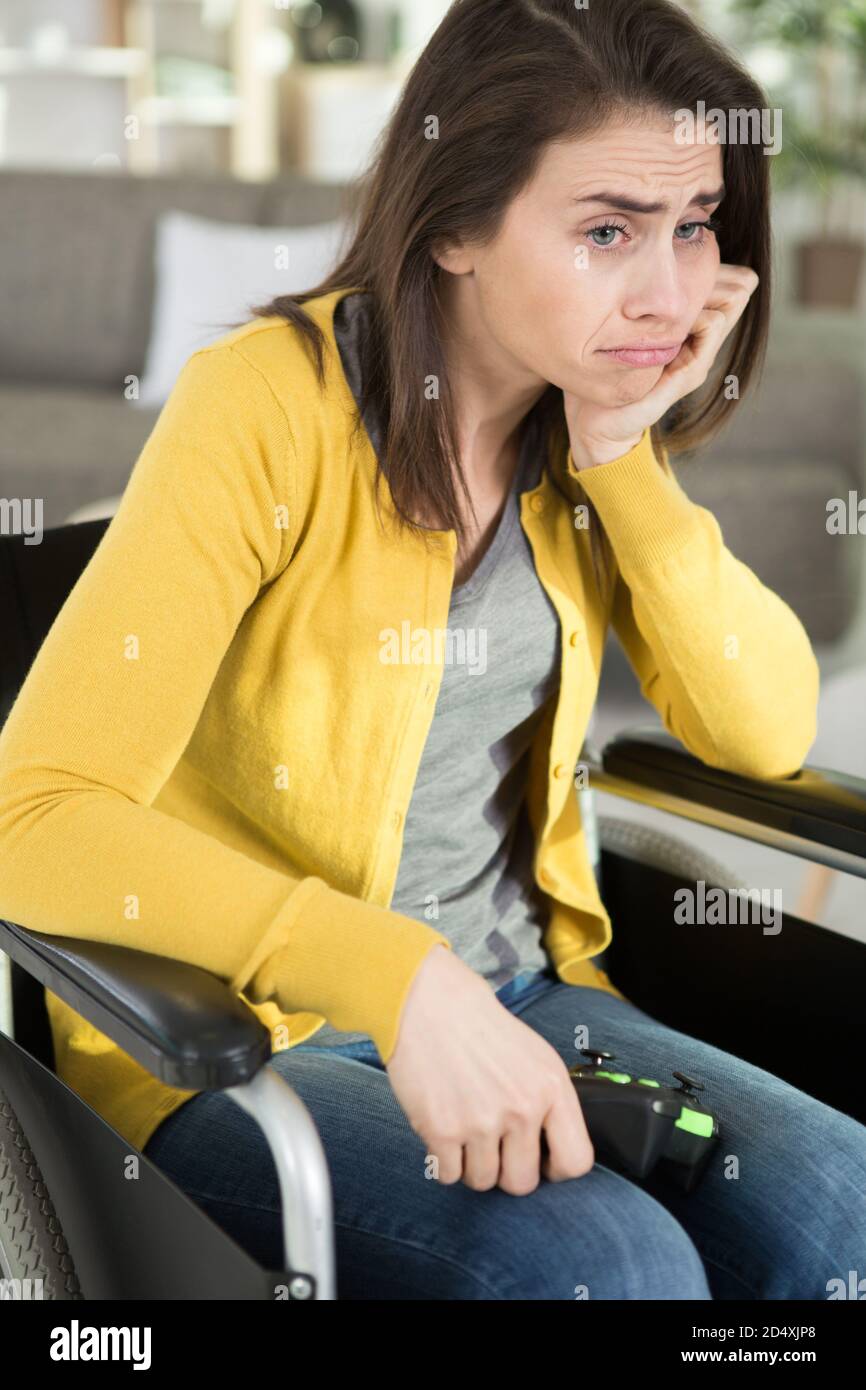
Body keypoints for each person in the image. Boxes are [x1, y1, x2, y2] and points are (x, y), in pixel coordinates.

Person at [0, 0, 863, 1300]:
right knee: (613, 1267)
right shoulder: (267, 405)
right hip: (245, 1046)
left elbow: (761, 728)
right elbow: (31, 814)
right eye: (606, 230)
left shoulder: (576, 435)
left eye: (693, 227)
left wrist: (625, 456)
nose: (670, 288)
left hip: (523, 995)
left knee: (840, 1213)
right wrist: (393, 974)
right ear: (455, 223)